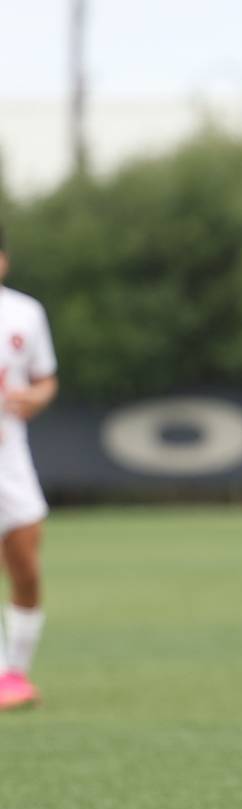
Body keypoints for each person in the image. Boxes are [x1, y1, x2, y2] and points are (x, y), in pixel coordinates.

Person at [0, 223, 59, 711]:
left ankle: (14, 672)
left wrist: (32, 398)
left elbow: (45, 381)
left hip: (9, 457)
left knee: (25, 563)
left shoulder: (24, 313)